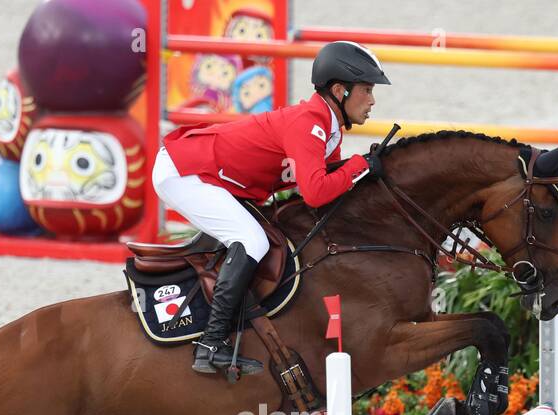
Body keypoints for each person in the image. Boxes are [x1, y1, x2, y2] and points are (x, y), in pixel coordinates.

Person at [152, 40, 390, 374]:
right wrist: (358, 166)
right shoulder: (311, 124)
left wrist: (360, 169)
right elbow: (316, 193)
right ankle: (209, 345)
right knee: (253, 240)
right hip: (185, 172)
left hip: (215, 176)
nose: (372, 100)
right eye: (366, 90)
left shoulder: (329, 129)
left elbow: (331, 182)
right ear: (340, 90)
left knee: (262, 235)